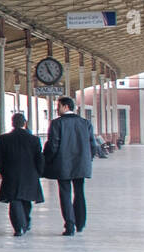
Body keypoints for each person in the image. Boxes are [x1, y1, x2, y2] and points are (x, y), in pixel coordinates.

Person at [43, 96, 106, 236]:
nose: (57, 109)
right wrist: (87, 160)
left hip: (62, 165)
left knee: (65, 194)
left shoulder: (56, 124)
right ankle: (81, 223)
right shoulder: (85, 123)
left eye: (58, 106)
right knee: (79, 192)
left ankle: (70, 226)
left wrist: (47, 160)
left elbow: (53, 145)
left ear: (66, 107)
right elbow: (92, 145)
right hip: (80, 165)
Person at [0, 113, 44, 236]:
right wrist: (38, 172)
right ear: (24, 123)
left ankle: (19, 227)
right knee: (26, 199)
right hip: (30, 174)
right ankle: (25, 223)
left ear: (12, 123)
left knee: (14, 200)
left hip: (11, 174)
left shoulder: (3, 139)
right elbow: (39, 158)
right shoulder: (34, 139)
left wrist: (3, 172)